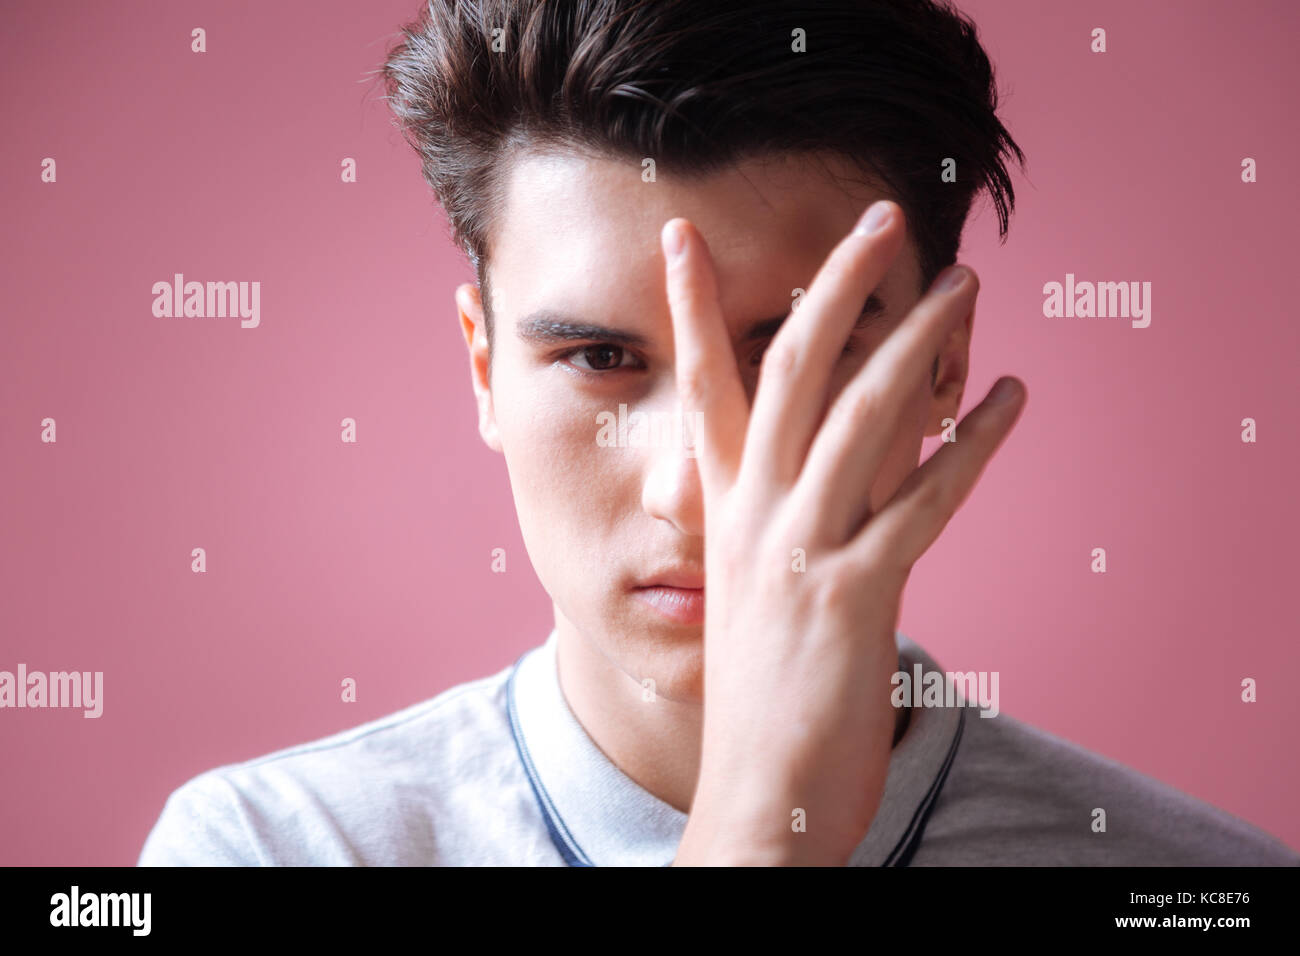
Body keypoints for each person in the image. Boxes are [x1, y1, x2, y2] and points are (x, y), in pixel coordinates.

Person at [138, 0, 1298, 866]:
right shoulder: (268, 849)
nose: (694, 489)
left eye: (793, 356)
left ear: (939, 368)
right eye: (599, 357)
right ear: (485, 370)